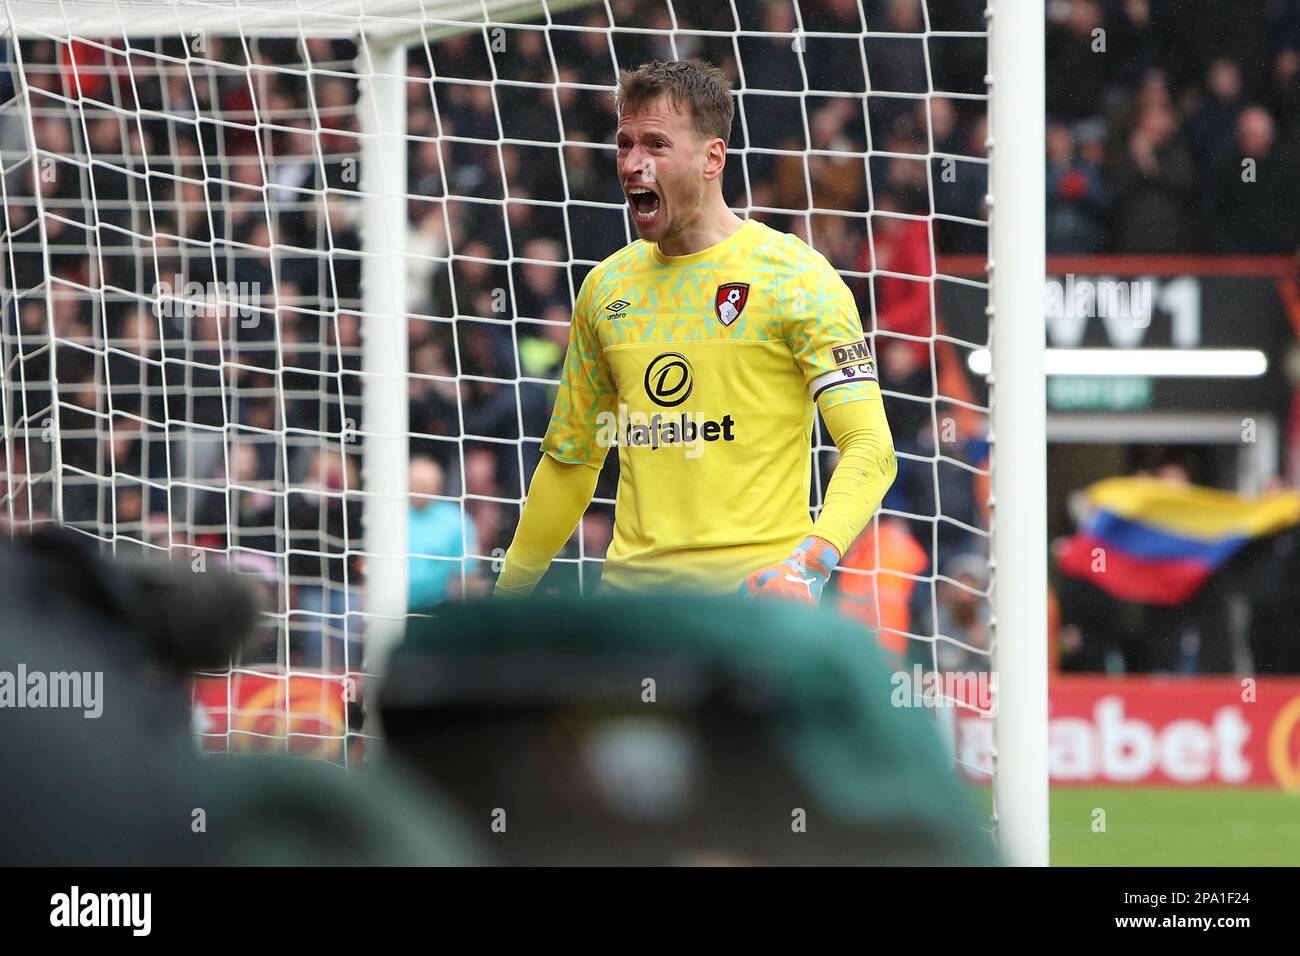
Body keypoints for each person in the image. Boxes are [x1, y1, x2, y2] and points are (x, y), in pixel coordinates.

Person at [494, 59, 896, 603]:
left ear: (712, 158)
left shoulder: (795, 277)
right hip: (634, 614)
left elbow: (871, 448)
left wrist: (808, 564)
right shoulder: (605, 289)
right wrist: (507, 596)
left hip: (754, 610)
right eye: (625, 144)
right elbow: (572, 461)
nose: (634, 164)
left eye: (655, 144)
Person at [408, 455, 480, 608]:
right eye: (415, 483)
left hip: (439, 610)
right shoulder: (392, 518)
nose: (420, 489)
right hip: (394, 609)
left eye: (425, 484)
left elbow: (468, 574)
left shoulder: (456, 520)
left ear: (438, 486)